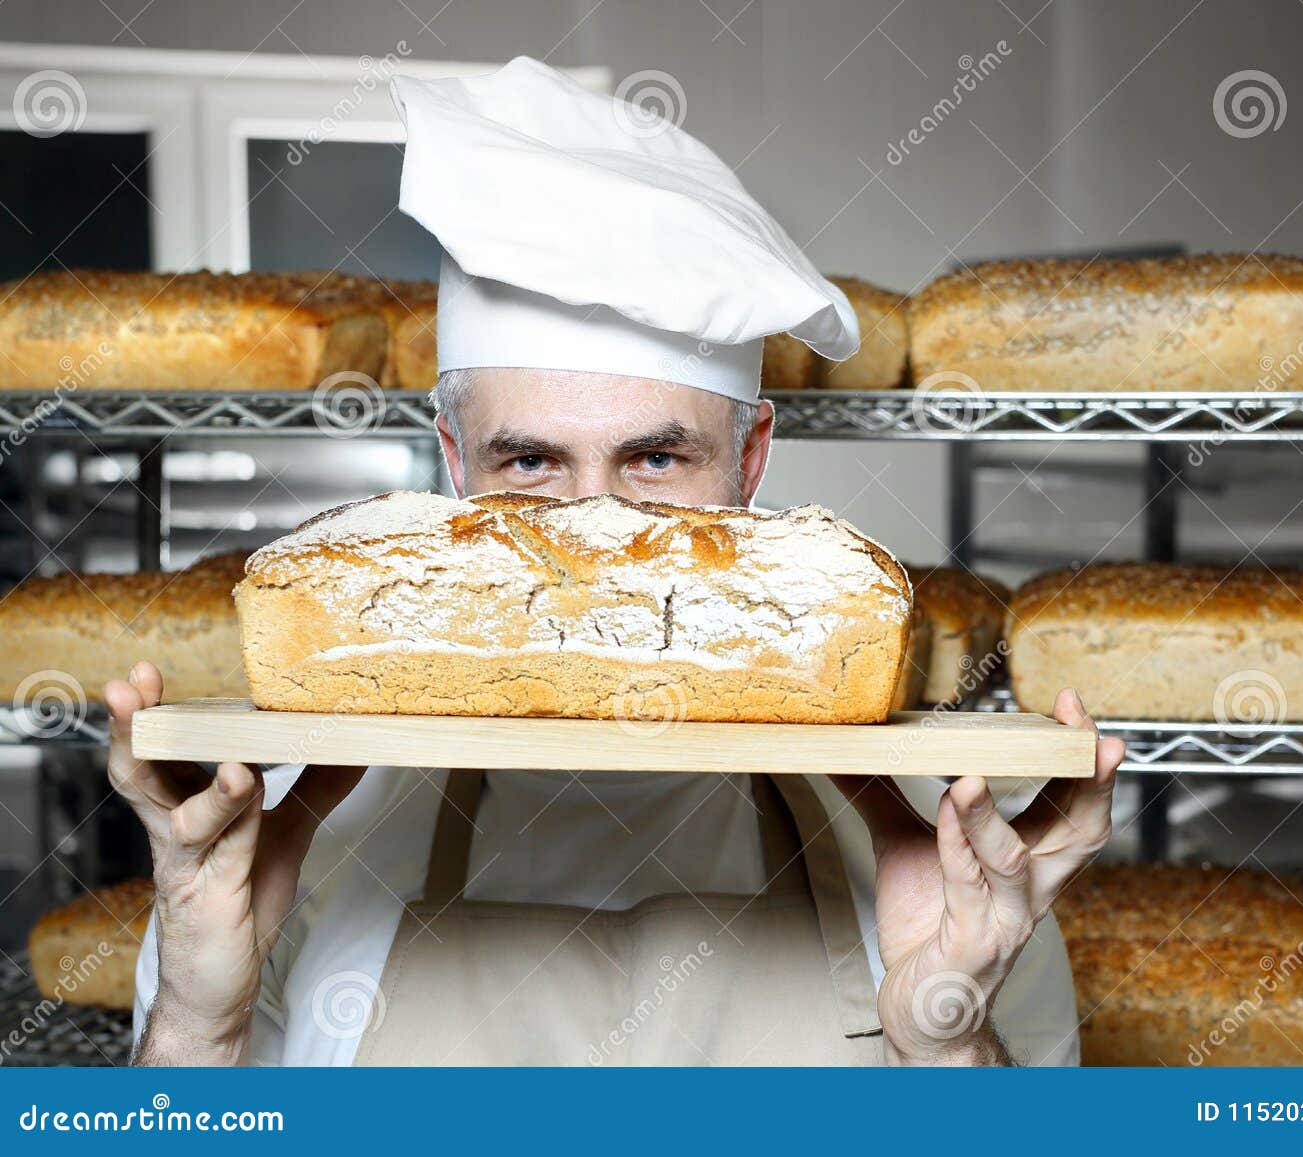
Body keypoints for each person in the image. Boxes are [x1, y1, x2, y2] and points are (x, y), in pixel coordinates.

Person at [104, 57, 1123, 1067]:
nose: (590, 533)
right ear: (454, 465)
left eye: (655, 458)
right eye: (532, 461)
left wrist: (942, 1035)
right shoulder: (285, 843)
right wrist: (203, 1019)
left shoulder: (948, 865)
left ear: (751, 461)